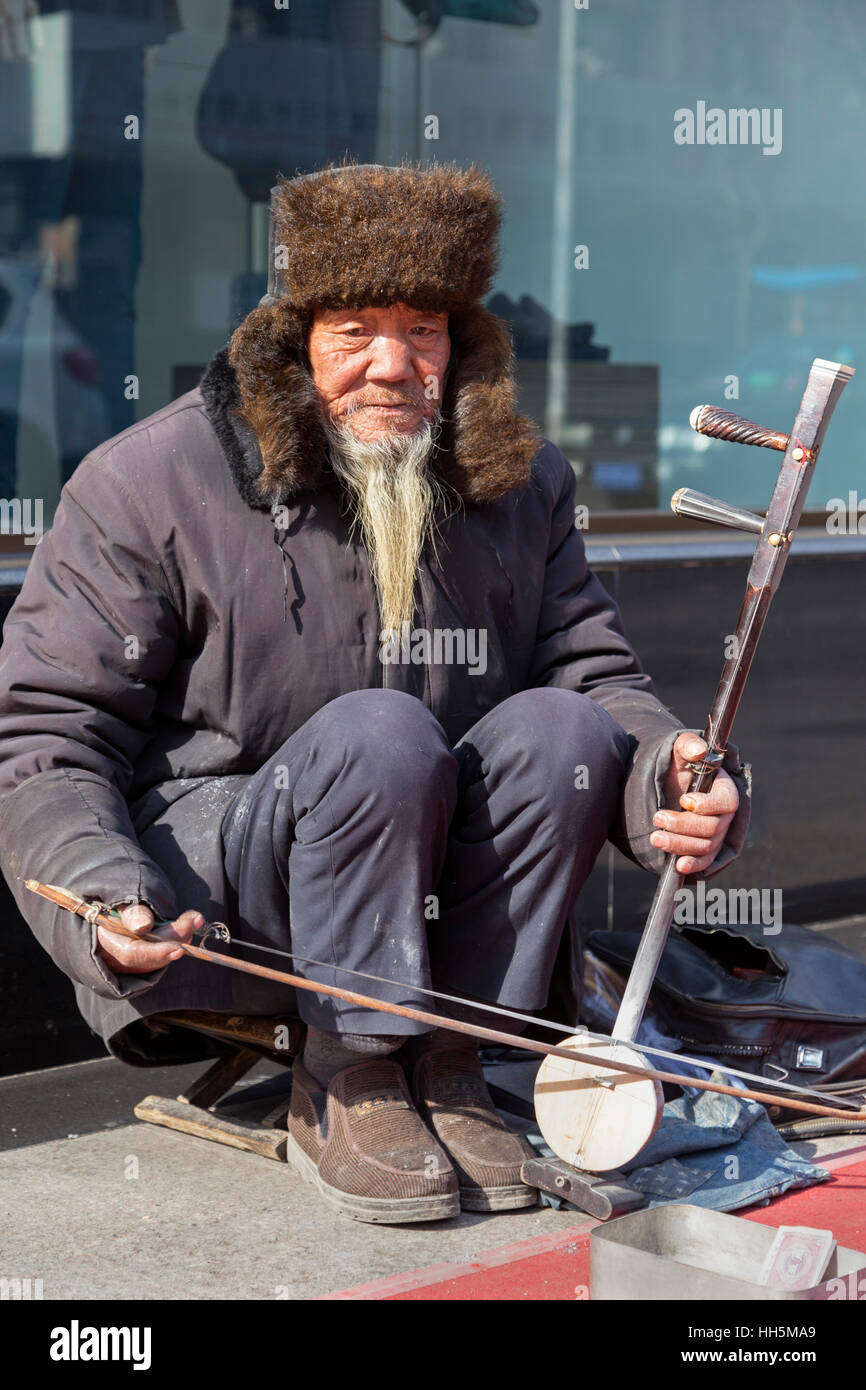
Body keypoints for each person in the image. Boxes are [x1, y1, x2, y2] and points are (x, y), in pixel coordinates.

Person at [0, 161, 749, 1223]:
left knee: (560, 729)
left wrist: (666, 772)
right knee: (381, 736)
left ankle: (453, 1055)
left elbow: (593, 672)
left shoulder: (519, 484)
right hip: (226, 884)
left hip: (425, 874)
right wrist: (101, 891)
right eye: (354, 328)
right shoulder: (144, 484)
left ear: (460, 341)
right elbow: (46, 741)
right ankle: (347, 1077)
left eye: (425, 328)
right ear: (291, 335)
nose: (392, 364)